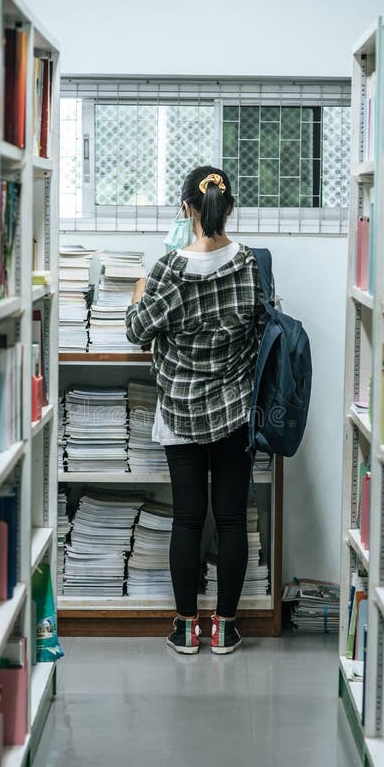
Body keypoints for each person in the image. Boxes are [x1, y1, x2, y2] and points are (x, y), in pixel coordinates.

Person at [125, 166, 273, 655]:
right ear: (229, 208)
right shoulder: (249, 263)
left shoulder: (169, 269)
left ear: (187, 207)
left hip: (182, 410)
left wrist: (139, 291)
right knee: (231, 519)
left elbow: (136, 331)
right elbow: (257, 324)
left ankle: (187, 628)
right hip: (233, 411)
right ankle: (226, 628)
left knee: (188, 519)